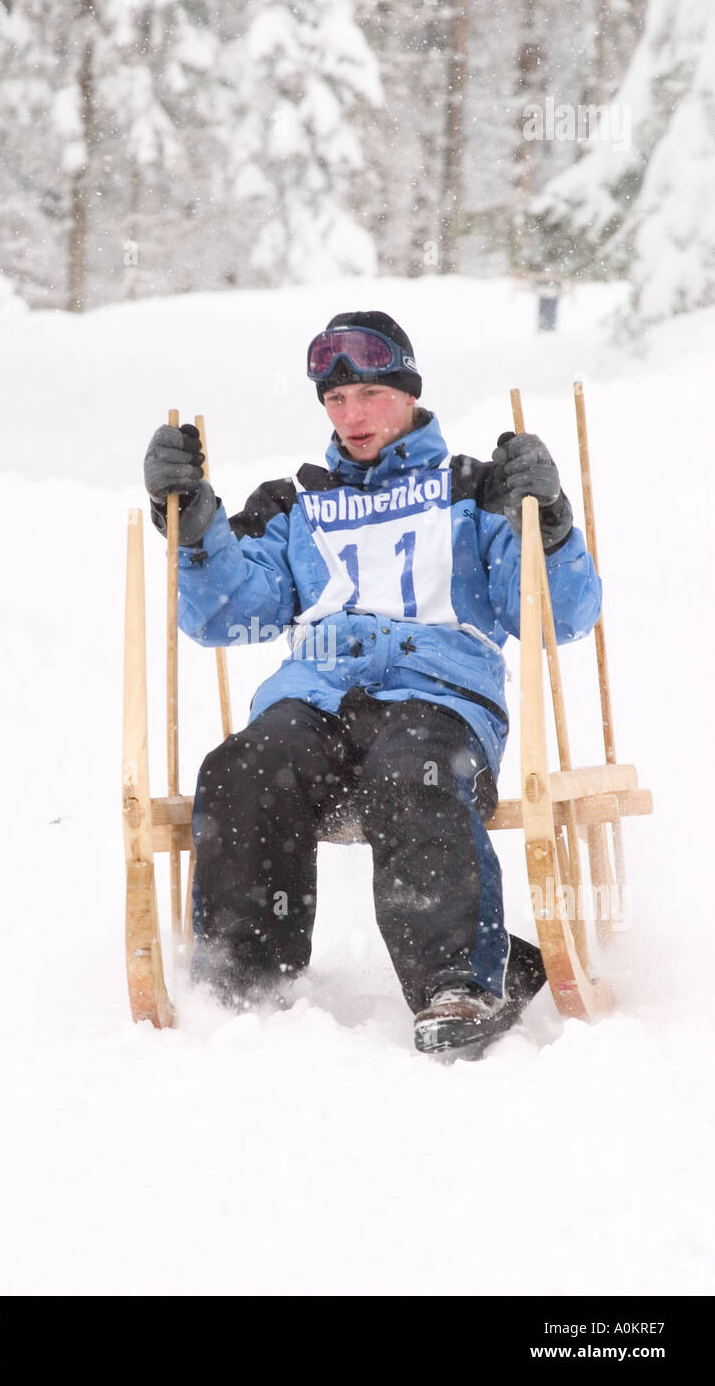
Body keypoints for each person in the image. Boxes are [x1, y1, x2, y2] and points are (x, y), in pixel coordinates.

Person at [143, 311, 601, 1059]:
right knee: (242, 768)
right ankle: (242, 988)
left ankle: (462, 981)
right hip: (317, 700)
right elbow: (231, 617)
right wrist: (197, 533)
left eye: (368, 395)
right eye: (334, 400)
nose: (350, 416)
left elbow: (565, 617)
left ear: (409, 393)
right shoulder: (293, 502)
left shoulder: (478, 492)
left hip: (439, 700)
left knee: (410, 772)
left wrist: (546, 523)